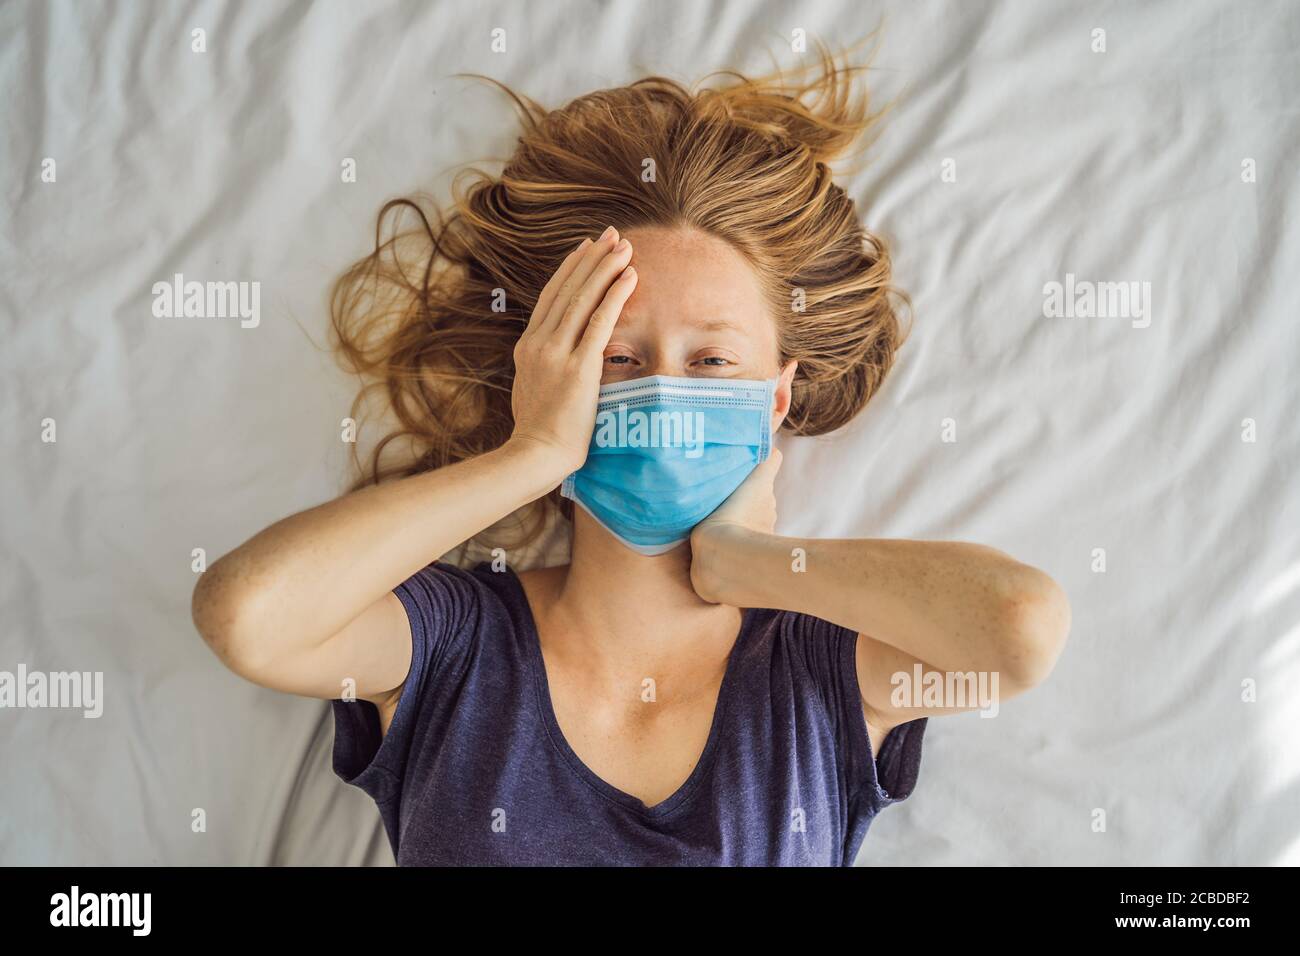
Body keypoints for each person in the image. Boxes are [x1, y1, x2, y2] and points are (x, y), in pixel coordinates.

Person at [192, 50, 1071, 865]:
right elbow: (246, 614)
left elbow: (1020, 629)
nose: (664, 391)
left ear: (775, 399)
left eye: (712, 361)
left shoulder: (822, 676)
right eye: (617, 358)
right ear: (548, 379)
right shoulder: (454, 645)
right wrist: (530, 453)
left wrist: (749, 566)